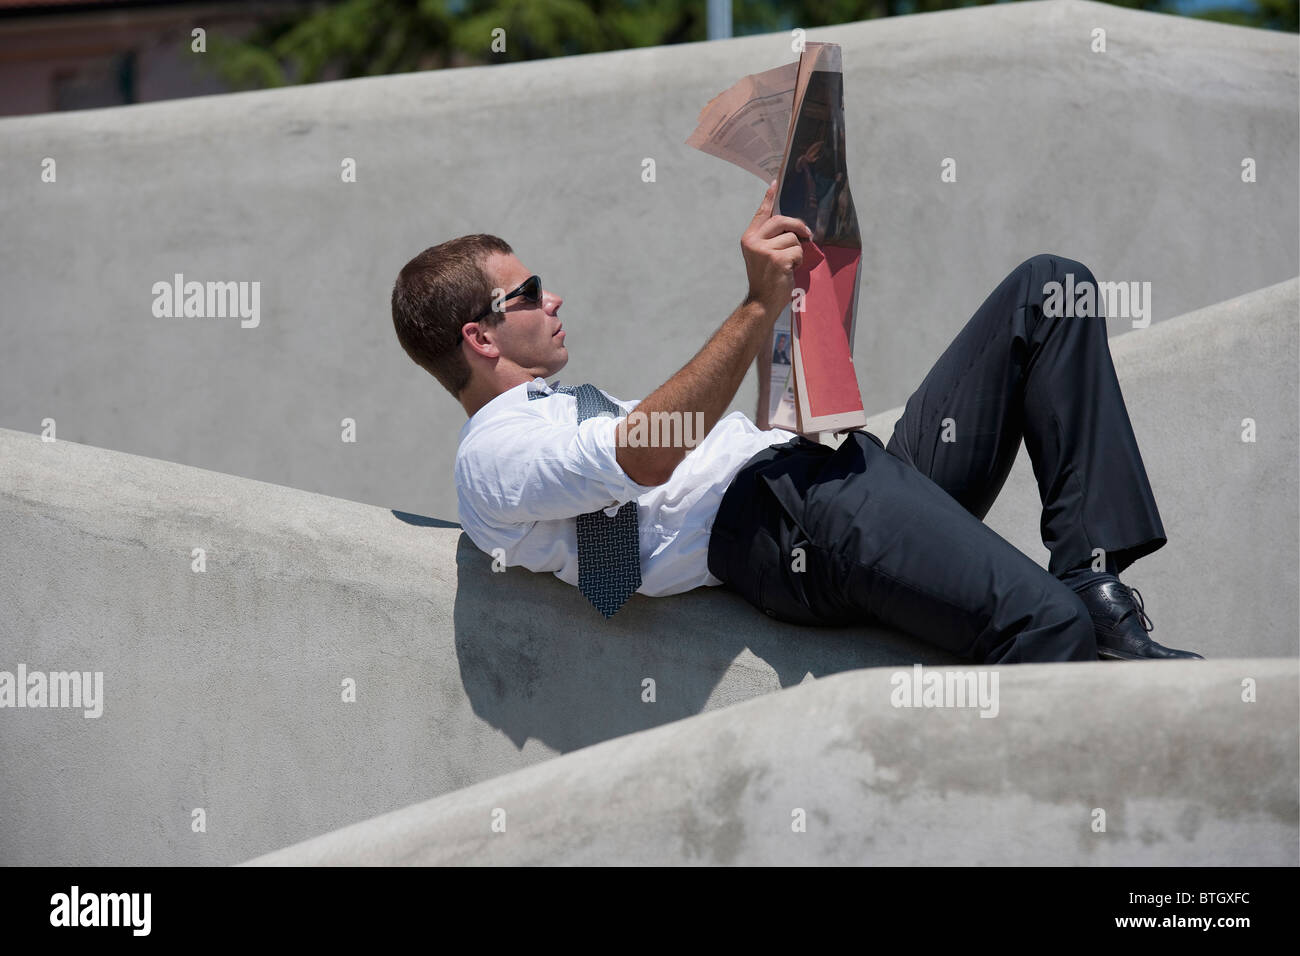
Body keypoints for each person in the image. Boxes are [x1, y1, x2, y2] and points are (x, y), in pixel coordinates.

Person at [389, 181, 1204, 664]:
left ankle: (1094, 579)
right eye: (528, 291)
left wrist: (805, 293)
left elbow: (681, 447)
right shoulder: (494, 456)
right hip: (788, 525)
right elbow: (644, 459)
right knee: (1044, 631)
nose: (552, 297)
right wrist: (754, 302)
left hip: (822, 471)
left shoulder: (561, 408)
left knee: (1049, 290)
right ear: (481, 336)